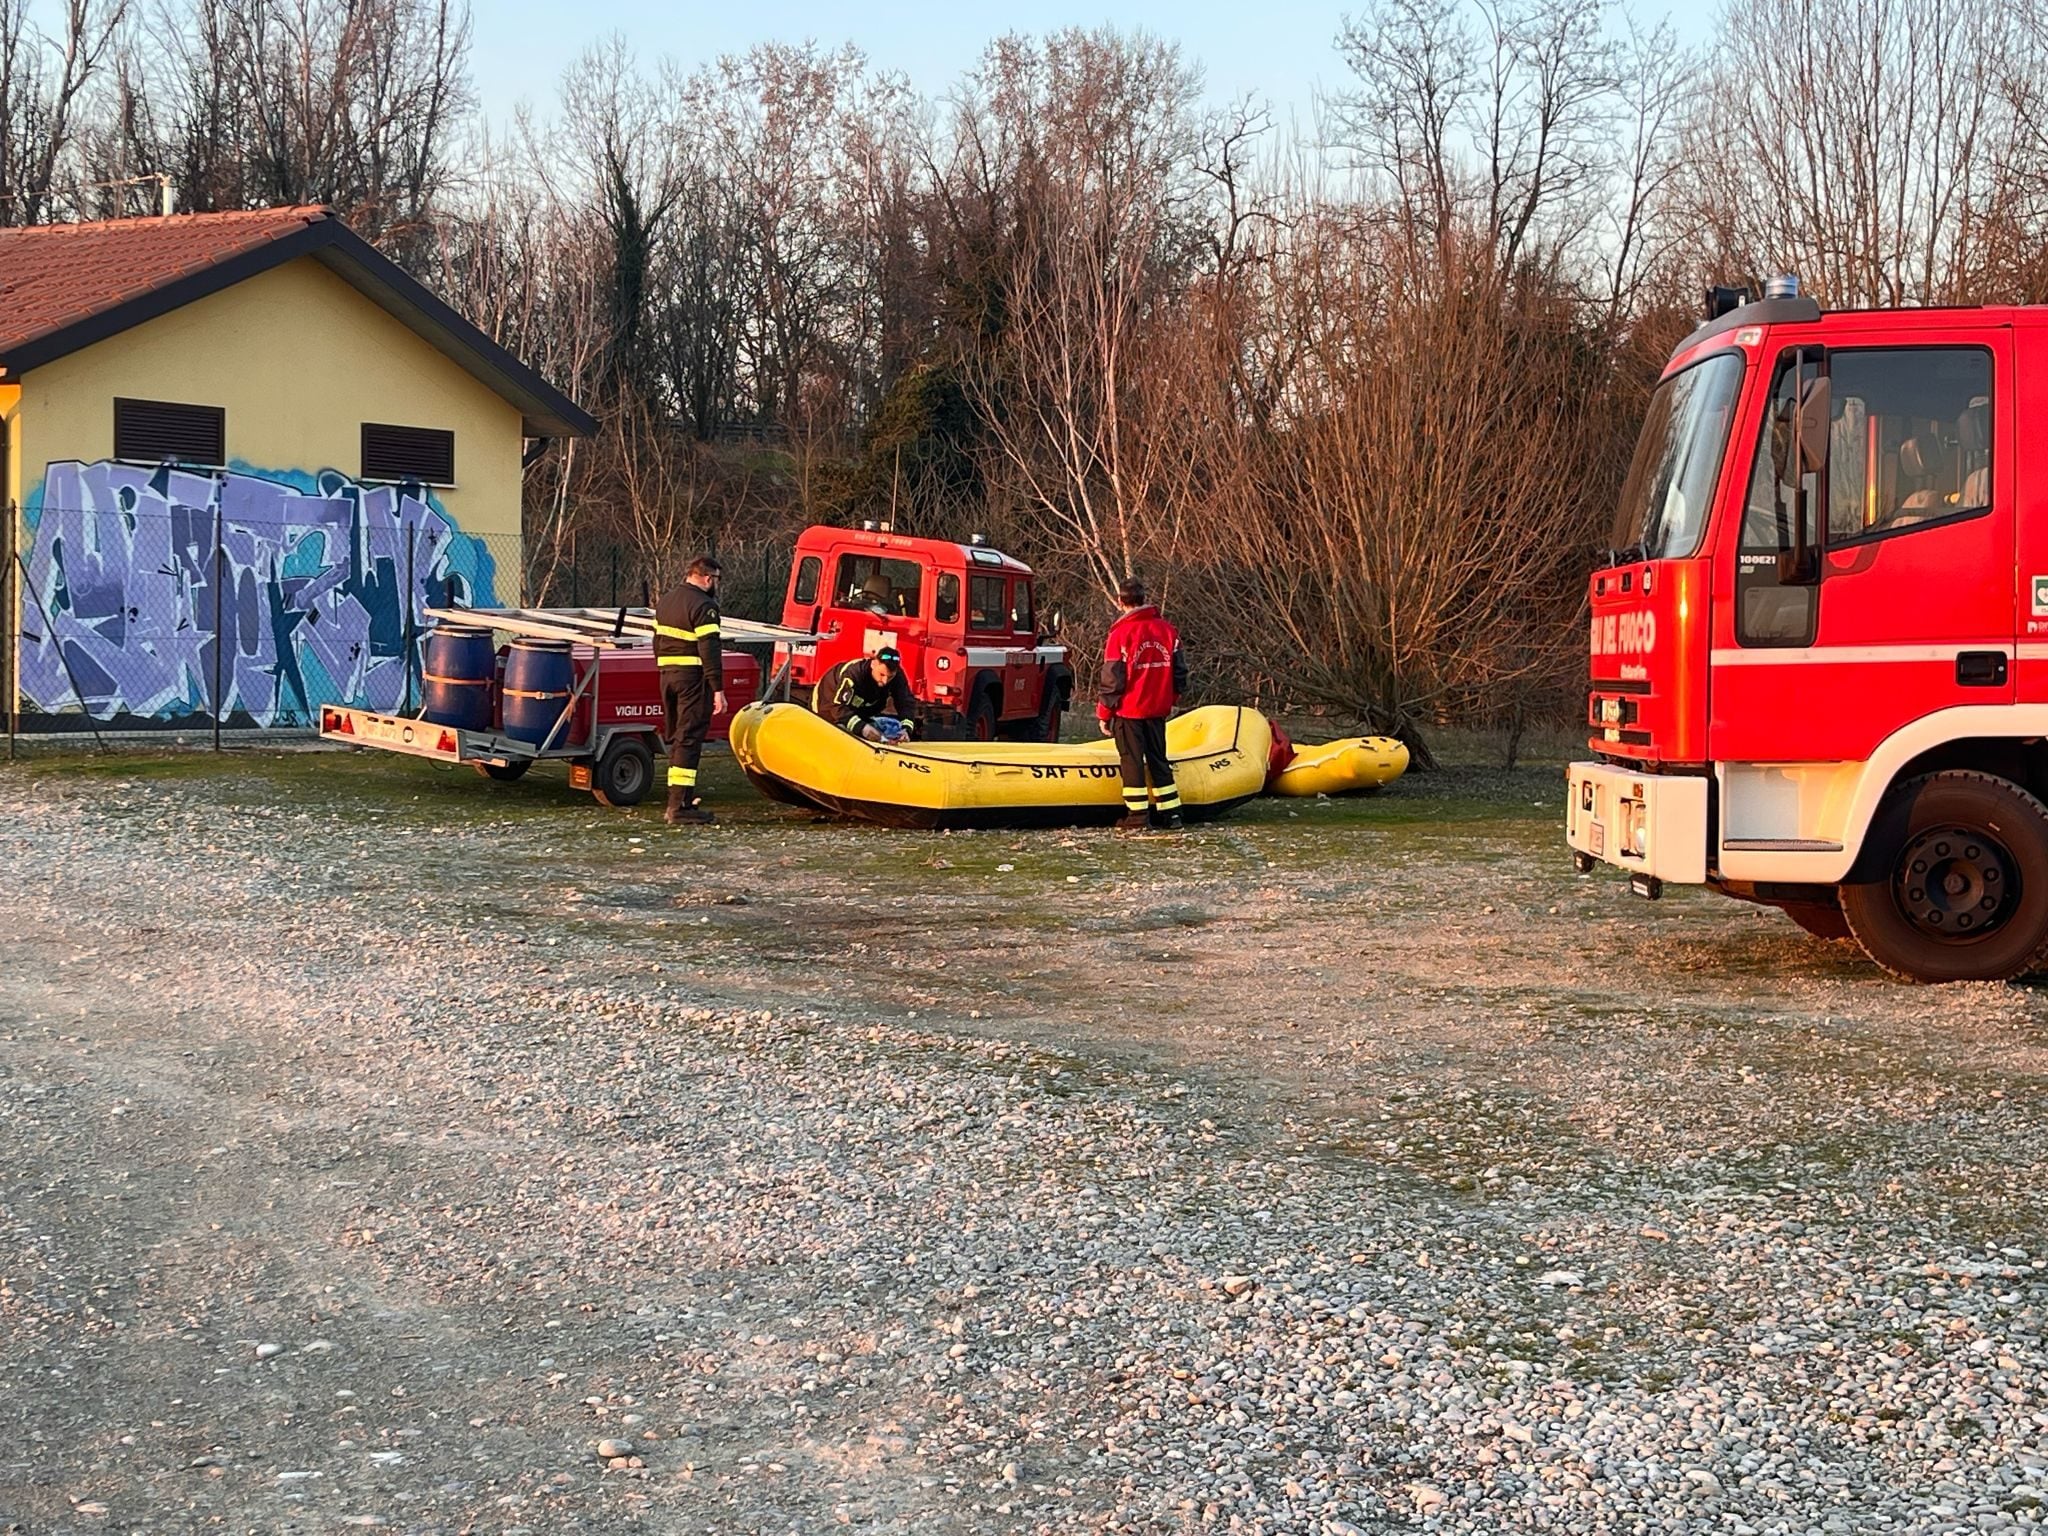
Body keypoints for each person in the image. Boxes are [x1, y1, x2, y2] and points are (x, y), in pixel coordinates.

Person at [1097, 577, 1188, 831]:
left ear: (1120, 601)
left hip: (1129, 711)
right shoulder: (1168, 630)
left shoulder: (1120, 634)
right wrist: (1170, 699)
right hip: (1157, 710)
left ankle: (1137, 817)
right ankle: (1172, 814)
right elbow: (1180, 673)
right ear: (1144, 598)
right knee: (1159, 760)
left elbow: (1113, 679)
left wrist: (1104, 713)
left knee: (1132, 761)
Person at [654, 556, 727, 825]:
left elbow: (657, 641)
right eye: (716, 580)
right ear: (708, 578)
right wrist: (717, 688)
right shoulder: (704, 605)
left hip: (668, 676)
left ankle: (681, 800)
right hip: (693, 680)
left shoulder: (666, 601)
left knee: (678, 738)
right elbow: (710, 649)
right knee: (689, 739)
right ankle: (678, 807)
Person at [815, 646, 919, 742]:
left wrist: (906, 729)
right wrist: (862, 728)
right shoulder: (854, 673)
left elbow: (906, 702)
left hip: (860, 708)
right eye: (882, 674)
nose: (885, 681)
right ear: (873, 664)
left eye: (890, 677)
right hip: (827, 703)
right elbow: (838, 707)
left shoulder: (897, 675)